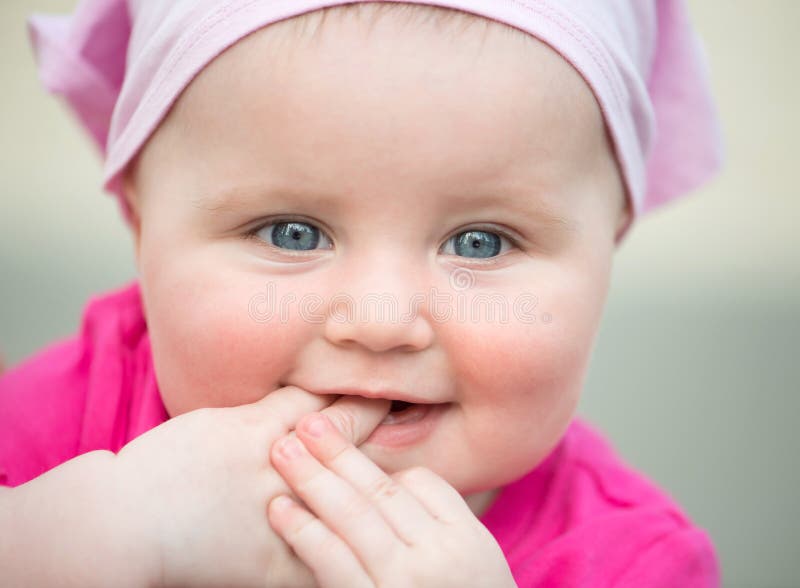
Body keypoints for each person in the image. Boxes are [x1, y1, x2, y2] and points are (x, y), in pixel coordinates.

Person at [0, 1, 724, 586]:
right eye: (291, 233)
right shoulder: (46, 438)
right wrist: (100, 536)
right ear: (140, 219)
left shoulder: (638, 565)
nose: (381, 322)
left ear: (610, 244)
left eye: (480, 242)